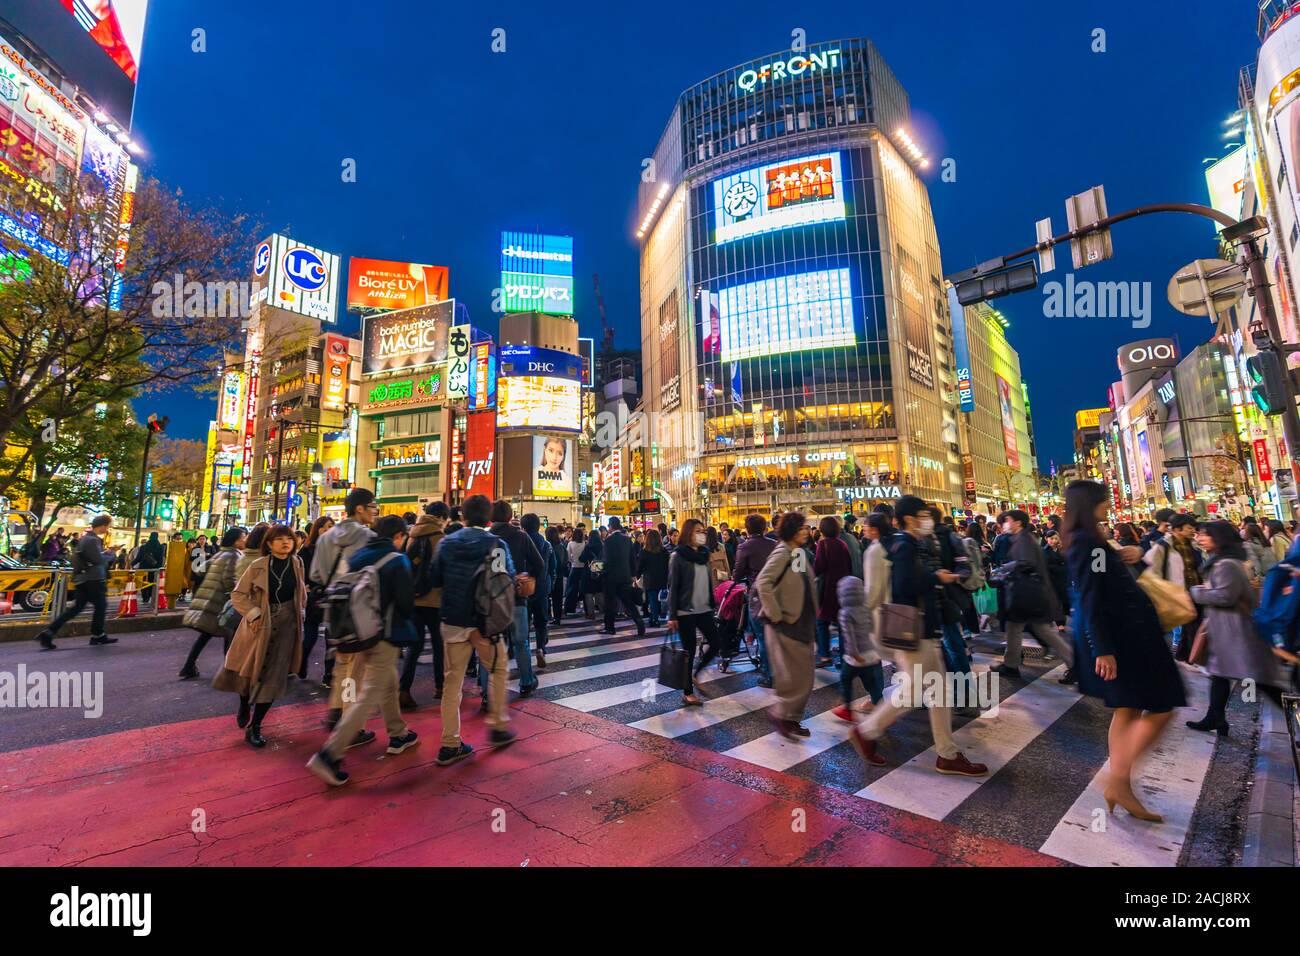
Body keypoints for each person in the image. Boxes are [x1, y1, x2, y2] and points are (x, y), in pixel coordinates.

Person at [1064, 480, 1185, 822]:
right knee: (1162, 705)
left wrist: (1122, 555)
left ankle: (1122, 785)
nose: (1108, 503)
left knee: (1127, 709)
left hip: (1124, 635)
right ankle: (1115, 779)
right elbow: (1091, 596)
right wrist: (1103, 649)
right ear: (1092, 503)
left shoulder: (1091, 540)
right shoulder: (1088, 541)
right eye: (1104, 499)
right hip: (1125, 639)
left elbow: (1098, 580)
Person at [849, 496, 988, 776]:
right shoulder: (904, 545)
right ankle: (867, 731)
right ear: (910, 518)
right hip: (915, 628)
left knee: (938, 690)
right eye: (923, 514)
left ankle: (946, 753)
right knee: (916, 691)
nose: (928, 519)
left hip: (923, 626)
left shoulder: (911, 543)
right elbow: (904, 585)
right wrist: (938, 577)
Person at [307, 515, 420, 786]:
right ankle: (330, 753)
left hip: (354, 632)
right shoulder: (396, 559)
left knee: (382, 682)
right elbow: (405, 604)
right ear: (398, 536)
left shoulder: (357, 557)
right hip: (384, 633)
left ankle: (398, 732)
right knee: (369, 692)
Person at [428, 493, 518, 766]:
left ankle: (450, 742)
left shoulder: (446, 543)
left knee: (452, 681)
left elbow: (434, 578)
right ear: (488, 517)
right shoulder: (496, 543)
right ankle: (498, 724)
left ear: (462, 516)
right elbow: (506, 578)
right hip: (485, 622)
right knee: (499, 669)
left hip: (453, 620)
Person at [212, 524, 306, 748]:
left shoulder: (297, 563)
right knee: (249, 671)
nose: (285, 542)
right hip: (260, 622)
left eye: (289, 539)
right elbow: (238, 594)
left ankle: (255, 726)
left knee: (274, 675)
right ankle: (244, 702)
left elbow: (300, 592)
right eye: (280, 539)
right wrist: (254, 615)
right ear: (269, 544)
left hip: (286, 624)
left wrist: (300, 612)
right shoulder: (258, 565)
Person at [1187, 520, 1281, 737]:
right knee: (1220, 674)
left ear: (1219, 538)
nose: (1199, 538)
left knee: (1260, 680)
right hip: (1226, 629)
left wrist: (1197, 592)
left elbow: (1226, 596)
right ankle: (1215, 717)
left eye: (1204, 535)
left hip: (1237, 630)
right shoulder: (1223, 561)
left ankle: (1293, 713)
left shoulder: (1226, 564)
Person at [310, 489, 378, 728]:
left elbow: (316, 574)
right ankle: (349, 720)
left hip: (333, 607)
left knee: (342, 661)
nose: (374, 511)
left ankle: (336, 708)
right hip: (358, 607)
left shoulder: (326, 537)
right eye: (372, 506)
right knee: (355, 668)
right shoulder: (367, 536)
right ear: (359, 508)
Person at [755, 511, 819, 739]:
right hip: (785, 622)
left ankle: (791, 717)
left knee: (804, 675)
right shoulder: (782, 552)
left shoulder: (798, 552)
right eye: (801, 528)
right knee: (796, 676)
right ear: (791, 530)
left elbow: (803, 580)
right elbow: (763, 581)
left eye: (806, 528)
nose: (806, 531)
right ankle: (782, 714)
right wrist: (775, 613)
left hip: (802, 621)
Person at [994, 509, 1075, 683]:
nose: (1005, 524)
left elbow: (1026, 563)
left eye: (1007, 520)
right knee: (1016, 628)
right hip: (1027, 593)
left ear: (1017, 523)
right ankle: (1011, 664)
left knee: (1041, 630)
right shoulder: (1022, 538)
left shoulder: (1024, 539)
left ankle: (1075, 665)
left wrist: (1005, 569)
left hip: (1028, 594)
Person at [36, 514, 118, 650]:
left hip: (82, 579)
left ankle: (49, 632)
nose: (108, 529)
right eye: (108, 526)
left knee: (76, 608)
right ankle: (98, 634)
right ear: (103, 525)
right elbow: (98, 560)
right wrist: (111, 553)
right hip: (93, 579)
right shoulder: (92, 540)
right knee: (101, 606)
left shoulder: (85, 539)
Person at [488, 499, 545, 694]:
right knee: (521, 642)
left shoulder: (485, 537)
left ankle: (487, 694)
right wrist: (527, 577)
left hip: (491, 599)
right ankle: (527, 681)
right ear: (510, 517)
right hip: (516, 596)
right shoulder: (521, 536)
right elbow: (539, 564)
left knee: (491, 644)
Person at [666, 518, 721, 706]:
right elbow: (673, 587)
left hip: (704, 608)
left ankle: (697, 673)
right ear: (688, 532)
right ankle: (687, 692)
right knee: (688, 651)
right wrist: (672, 615)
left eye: (703, 530)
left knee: (716, 643)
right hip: (685, 610)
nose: (702, 534)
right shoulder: (678, 556)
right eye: (698, 530)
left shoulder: (705, 555)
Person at [179, 527, 246, 679]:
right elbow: (229, 580)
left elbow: (200, 569)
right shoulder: (234, 555)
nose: (245, 540)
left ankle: (188, 666)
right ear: (235, 541)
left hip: (210, 600)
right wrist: (236, 596)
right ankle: (229, 671)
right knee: (230, 635)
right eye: (243, 538)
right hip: (221, 603)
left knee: (206, 635)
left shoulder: (221, 553)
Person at [401, 501, 447, 709]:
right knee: (439, 644)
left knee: (415, 646)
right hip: (435, 600)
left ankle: (404, 690)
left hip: (413, 598)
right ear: (441, 518)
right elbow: (443, 571)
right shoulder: (440, 538)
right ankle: (440, 686)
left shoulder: (409, 536)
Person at [732, 513, 778, 687]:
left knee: (762, 634)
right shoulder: (774, 545)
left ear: (747, 528)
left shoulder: (745, 547)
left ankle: (769, 674)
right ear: (764, 528)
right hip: (776, 592)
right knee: (774, 633)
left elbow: (737, 574)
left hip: (758, 593)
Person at [834, 575, 883, 723]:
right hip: (871, 653)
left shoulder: (845, 613)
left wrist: (854, 654)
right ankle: (882, 710)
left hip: (855, 657)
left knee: (845, 679)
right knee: (871, 684)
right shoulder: (866, 608)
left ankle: (847, 710)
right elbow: (872, 628)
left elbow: (849, 637)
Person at [296, 516, 334, 680]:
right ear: (317, 529)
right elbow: (300, 572)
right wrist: (306, 587)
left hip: (332, 594)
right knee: (311, 635)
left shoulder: (336, 548)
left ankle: (328, 674)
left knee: (331, 638)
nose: (329, 530)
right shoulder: (307, 549)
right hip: (315, 596)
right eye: (325, 527)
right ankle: (301, 662)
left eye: (332, 526)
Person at [812, 516, 852, 668]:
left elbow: (819, 566)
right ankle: (843, 658)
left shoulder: (823, 544)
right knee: (842, 624)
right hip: (843, 588)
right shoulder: (842, 544)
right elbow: (848, 565)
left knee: (822, 622)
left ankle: (825, 656)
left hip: (828, 589)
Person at [600, 516, 646, 637]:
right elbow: (632, 558)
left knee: (610, 602)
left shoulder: (608, 540)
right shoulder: (627, 539)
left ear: (610, 526)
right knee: (628, 601)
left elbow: (607, 560)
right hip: (625, 576)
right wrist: (632, 574)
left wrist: (602, 571)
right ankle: (639, 621)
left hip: (611, 577)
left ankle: (610, 627)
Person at [521, 513, 555, 671]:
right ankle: (541, 648)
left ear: (523, 526)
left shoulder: (521, 540)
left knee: (525, 622)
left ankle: (525, 651)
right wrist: (549, 583)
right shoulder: (546, 544)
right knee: (541, 620)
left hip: (525, 586)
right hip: (541, 587)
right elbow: (553, 567)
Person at [637, 528, 670, 627]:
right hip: (662, 578)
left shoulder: (644, 552)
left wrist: (637, 575)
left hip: (650, 579)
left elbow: (640, 566)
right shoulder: (664, 551)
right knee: (660, 599)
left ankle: (654, 619)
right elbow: (667, 565)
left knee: (653, 599)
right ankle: (656, 617)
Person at [546, 524, 568, 626]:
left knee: (547, 597)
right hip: (560, 575)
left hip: (550, 575)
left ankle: (548, 616)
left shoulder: (548, 546)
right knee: (557, 598)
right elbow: (565, 560)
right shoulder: (561, 545)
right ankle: (557, 618)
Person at [564, 527, 589, 616]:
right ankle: (587, 609)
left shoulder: (570, 544)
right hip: (584, 569)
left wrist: (573, 561)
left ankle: (570, 609)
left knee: (571, 590)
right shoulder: (585, 544)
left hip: (574, 568)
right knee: (584, 589)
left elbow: (567, 557)